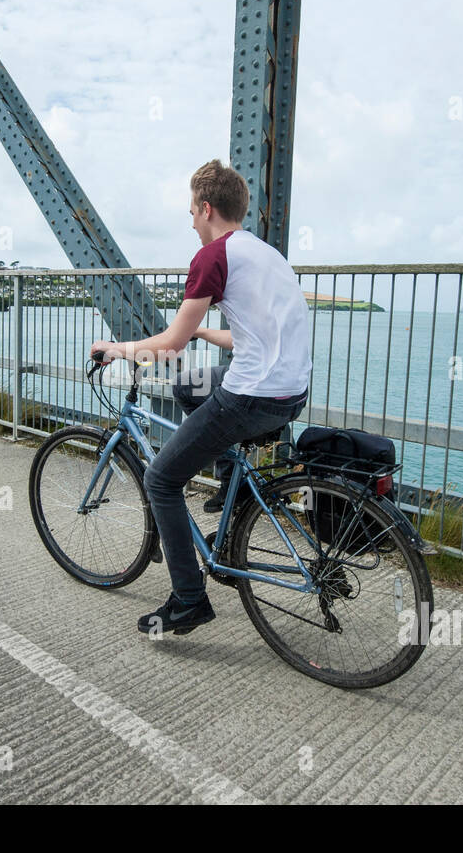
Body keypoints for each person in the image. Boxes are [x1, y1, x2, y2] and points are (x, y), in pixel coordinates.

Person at [88, 160, 313, 636]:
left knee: (161, 481)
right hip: (291, 394)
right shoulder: (266, 255)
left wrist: (118, 349)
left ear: (207, 208)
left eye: (191, 212)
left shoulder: (212, 257)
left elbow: (169, 346)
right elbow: (255, 336)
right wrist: (212, 332)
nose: (191, 221)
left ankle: (188, 600)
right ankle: (231, 497)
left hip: (252, 397)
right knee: (188, 385)